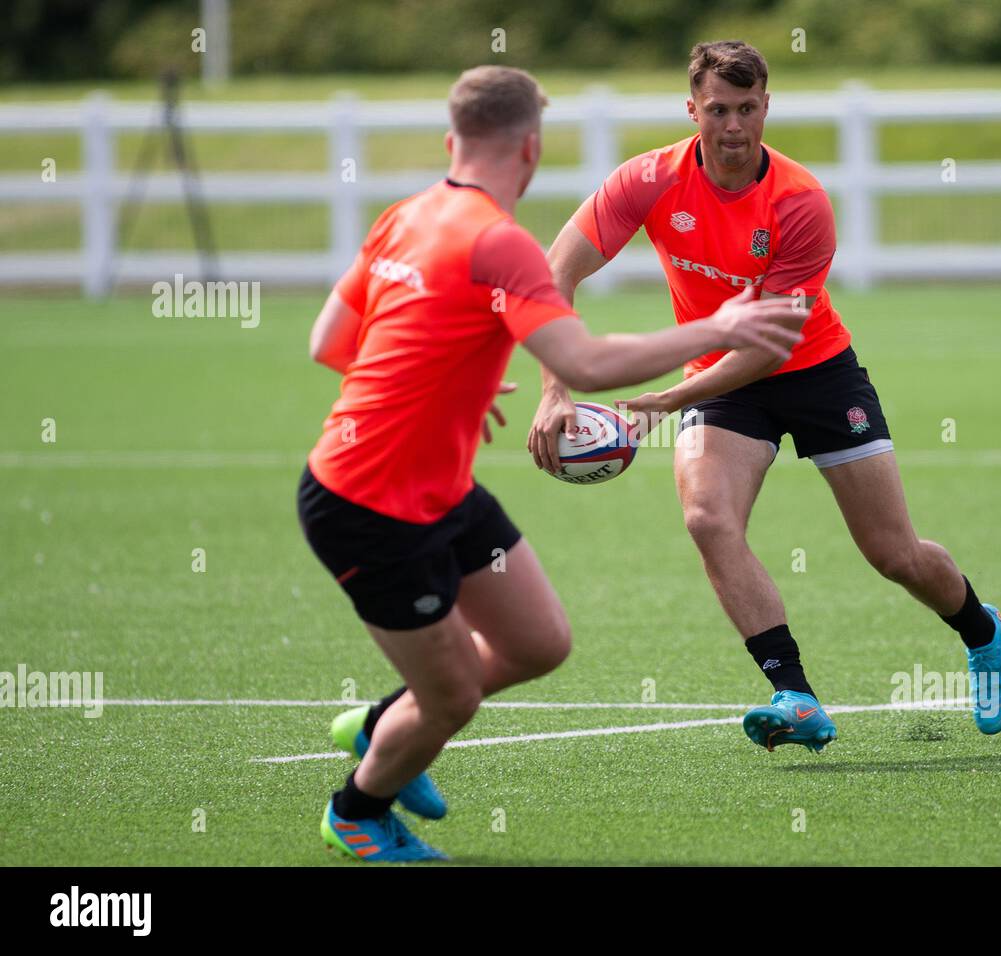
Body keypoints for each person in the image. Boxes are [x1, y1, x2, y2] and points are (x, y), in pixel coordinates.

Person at [298, 64, 805, 861]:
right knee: (453, 694)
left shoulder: (408, 214)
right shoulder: (502, 244)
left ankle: (379, 728)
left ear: (451, 141)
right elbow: (591, 362)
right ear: (530, 150)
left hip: (438, 489)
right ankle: (359, 809)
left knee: (538, 643)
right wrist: (722, 327)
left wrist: (436, 382)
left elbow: (329, 339)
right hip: (368, 505)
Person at [527, 41, 1001, 755]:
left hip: (814, 372)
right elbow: (552, 277)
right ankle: (794, 695)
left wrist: (663, 401)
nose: (732, 126)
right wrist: (554, 386)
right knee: (706, 517)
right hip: (719, 383)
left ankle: (982, 631)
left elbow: (767, 349)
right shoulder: (648, 179)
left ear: (767, 106)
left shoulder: (799, 201)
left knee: (892, 553)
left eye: (747, 108)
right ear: (691, 109)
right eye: (717, 109)